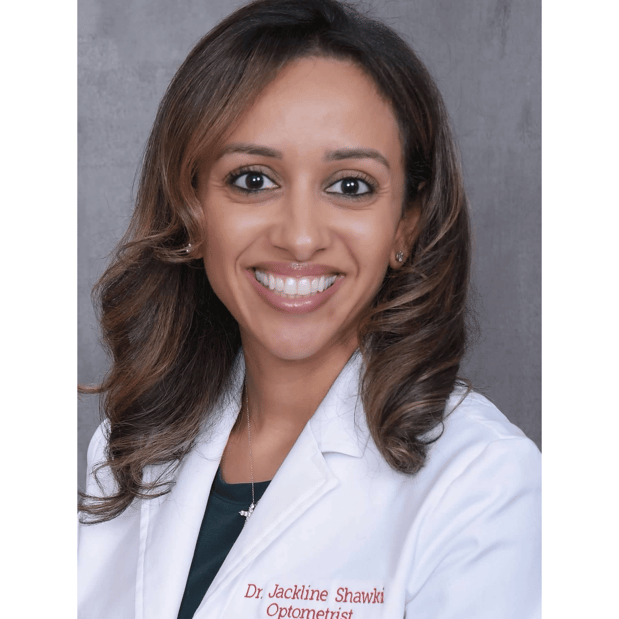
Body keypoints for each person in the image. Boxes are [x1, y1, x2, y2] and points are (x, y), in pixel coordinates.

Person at [78, 0, 541, 617]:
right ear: (192, 210)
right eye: (253, 180)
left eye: (350, 186)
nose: (299, 238)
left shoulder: (484, 482)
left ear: (405, 224)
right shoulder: (129, 447)